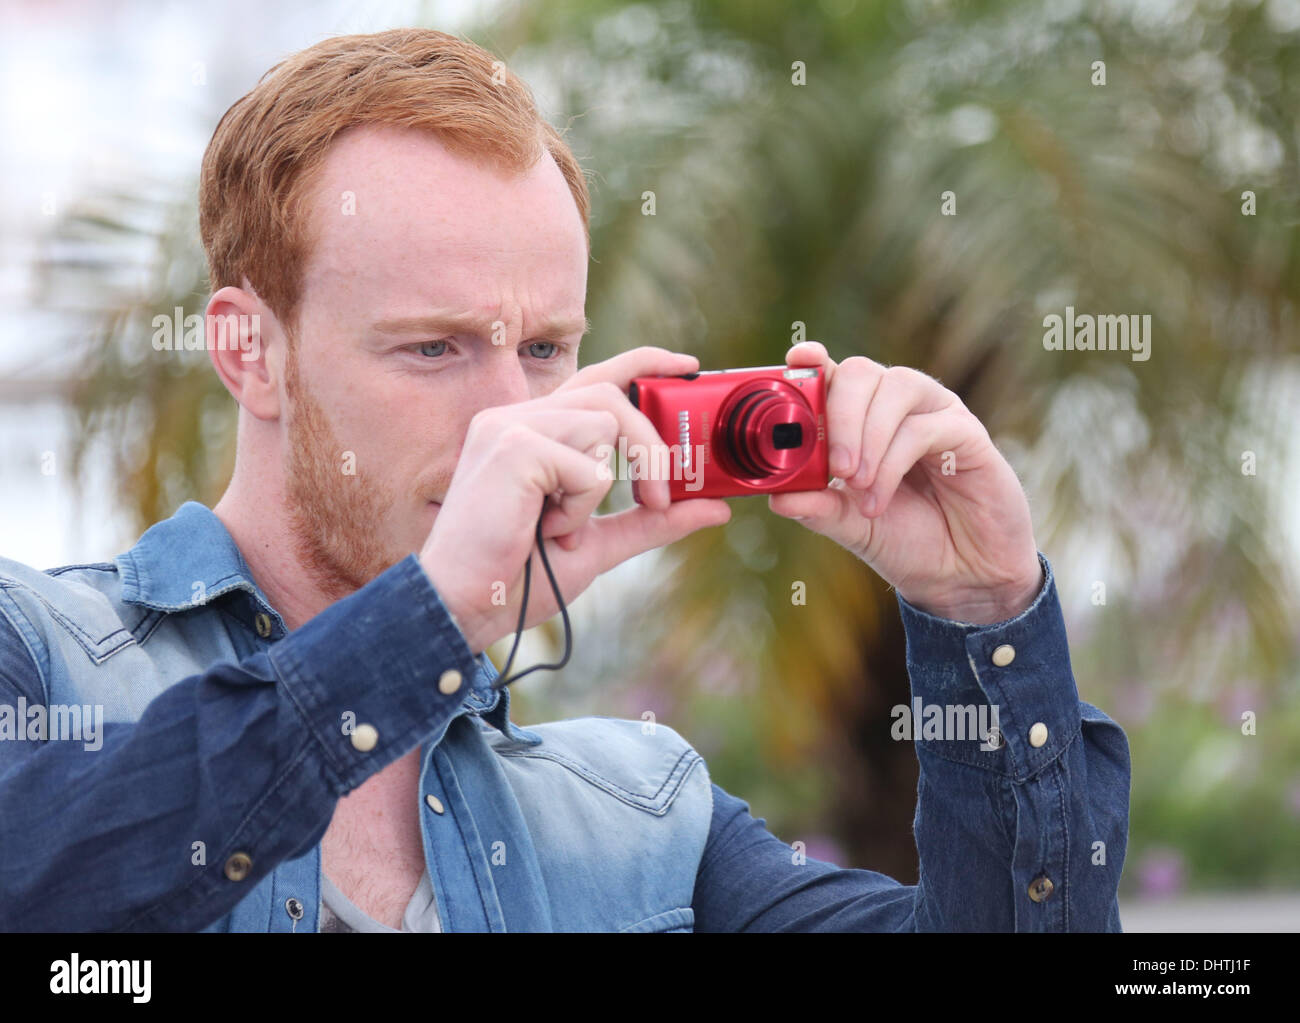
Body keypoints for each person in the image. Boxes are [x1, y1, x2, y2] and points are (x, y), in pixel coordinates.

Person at [0, 28, 1130, 932]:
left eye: (543, 348)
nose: (510, 416)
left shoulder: (640, 817)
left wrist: (981, 612)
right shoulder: (39, 651)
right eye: (433, 347)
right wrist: (428, 624)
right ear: (251, 351)